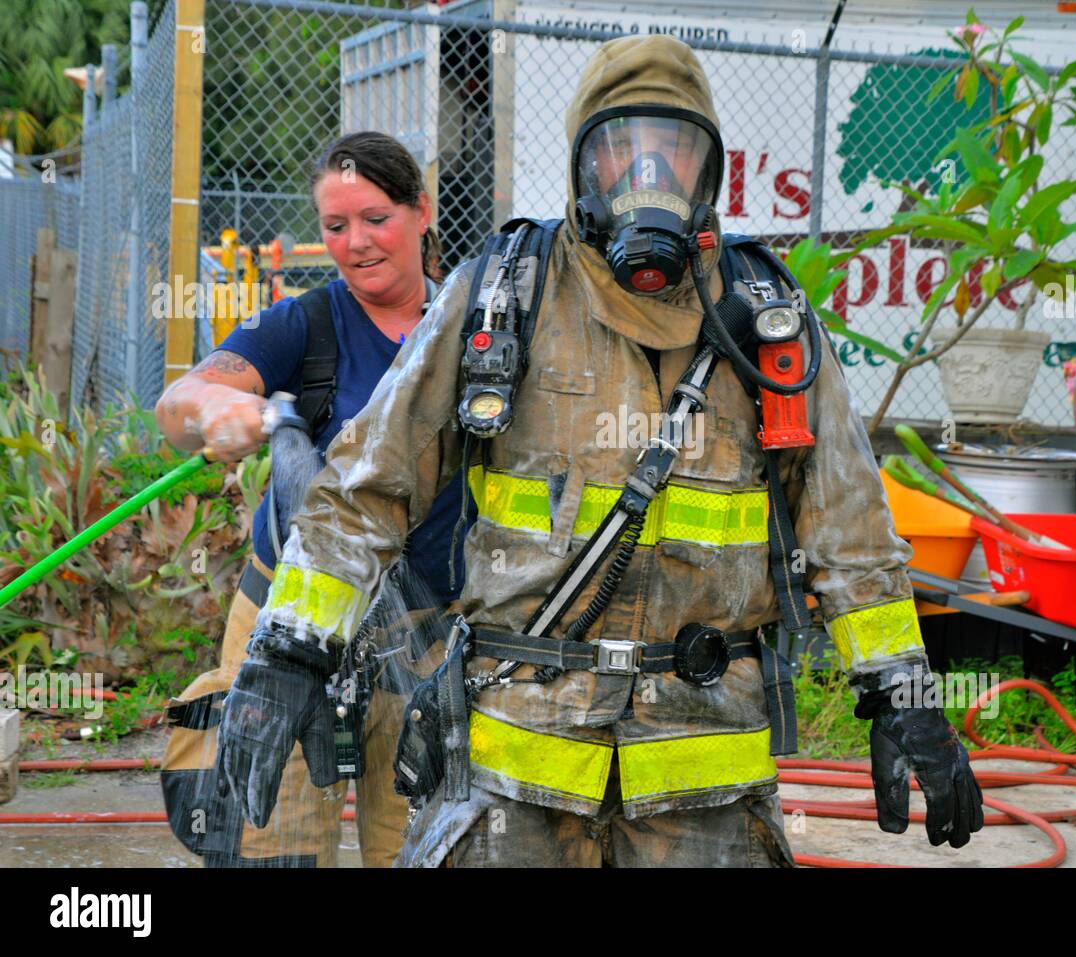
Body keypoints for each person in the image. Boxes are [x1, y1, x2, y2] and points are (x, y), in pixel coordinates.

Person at [215, 36, 984, 868]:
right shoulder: (505, 295)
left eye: (674, 153)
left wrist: (903, 692)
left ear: (710, 173)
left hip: (705, 776)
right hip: (513, 766)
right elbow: (368, 487)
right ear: (585, 164)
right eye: (623, 152)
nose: (647, 179)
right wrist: (290, 648)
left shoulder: (768, 321)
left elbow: (852, 530)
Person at [155, 131, 473, 867]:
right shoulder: (308, 325)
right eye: (335, 226)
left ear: (421, 211)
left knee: (425, 847)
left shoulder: (472, 330)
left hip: (422, 637)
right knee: (272, 836)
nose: (354, 243)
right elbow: (178, 401)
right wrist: (213, 409)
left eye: (375, 218)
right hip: (285, 628)